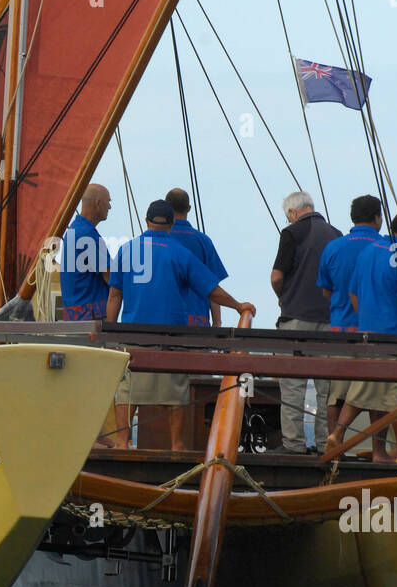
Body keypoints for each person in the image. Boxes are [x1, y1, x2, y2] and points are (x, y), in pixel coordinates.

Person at [106, 200, 253, 451]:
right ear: (172, 224)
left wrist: (111, 333)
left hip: (132, 336)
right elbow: (211, 290)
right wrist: (239, 306)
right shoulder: (179, 252)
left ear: (146, 220)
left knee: (127, 391)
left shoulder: (126, 250)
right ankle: (177, 445)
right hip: (169, 337)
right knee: (175, 390)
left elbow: (114, 296)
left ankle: (122, 442)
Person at [325, 208, 397, 462]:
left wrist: (366, 321)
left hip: (368, 333)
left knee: (365, 389)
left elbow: (353, 293)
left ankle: (340, 434)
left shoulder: (368, 251)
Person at [270, 190, 340, 454]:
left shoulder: (292, 233)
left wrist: (283, 297)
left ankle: (294, 445)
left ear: (292, 213)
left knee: (292, 385)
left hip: (296, 319)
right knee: (326, 389)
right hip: (330, 322)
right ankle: (325, 444)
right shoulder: (336, 234)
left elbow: (277, 277)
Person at [316, 194, 382, 439]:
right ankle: (379, 450)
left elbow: (326, 291)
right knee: (377, 393)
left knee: (337, 394)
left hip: (341, 329)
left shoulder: (333, 247)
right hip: (376, 332)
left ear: (353, 217)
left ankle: (334, 444)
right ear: (377, 218)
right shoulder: (385, 247)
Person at [165, 188, 228, 324]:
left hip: (164, 321)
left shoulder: (159, 240)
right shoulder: (203, 241)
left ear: (166, 207)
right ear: (189, 208)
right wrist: (217, 323)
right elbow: (212, 286)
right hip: (197, 321)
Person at [59, 183, 111, 320]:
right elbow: (110, 277)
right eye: (108, 202)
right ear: (98, 203)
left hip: (75, 317)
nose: (110, 207)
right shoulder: (87, 235)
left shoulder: (74, 230)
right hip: (90, 319)